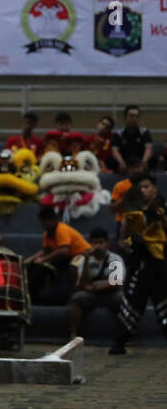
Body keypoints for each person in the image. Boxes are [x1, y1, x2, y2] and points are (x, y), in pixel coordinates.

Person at [111, 173, 167, 354]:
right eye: (140, 187)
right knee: (133, 302)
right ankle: (119, 342)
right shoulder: (131, 211)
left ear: (155, 189)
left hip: (160, 260)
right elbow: (122, 239)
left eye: (146, 186)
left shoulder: (162, 207)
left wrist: (159, 216)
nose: (143, 190)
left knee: (164, 302)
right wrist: (130, 242)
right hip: (139, 261)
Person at [24, 207, 90, 305]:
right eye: (42, 222)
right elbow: (45, 250)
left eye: (46, 222)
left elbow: (63, 250)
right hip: (66, 257)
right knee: (38, 266)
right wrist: (31, 259)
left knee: (73, 265)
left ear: (53, 220)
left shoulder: (61, 230)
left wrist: (44, 259)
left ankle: (76, 291)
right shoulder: (47, 234)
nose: (44, 225)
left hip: (82, 255)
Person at [67, 228, 123, 339]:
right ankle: (73, 334)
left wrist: (95, 288)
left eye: (101, 242)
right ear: (90, 243)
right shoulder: (85, 259)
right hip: (91, 295)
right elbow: (82, 283)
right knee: (76, 298)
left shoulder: (115, 259)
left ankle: (122, 333)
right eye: (95, 243)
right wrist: (87, 260)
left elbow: (116, 282)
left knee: (123, 299)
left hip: (110, 294)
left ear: (107, 243)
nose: (98, 246)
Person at [111, 105, 154, 174]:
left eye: (136, 116)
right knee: (112, 161)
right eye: (131, 116)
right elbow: (115, 151)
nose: (134, 118)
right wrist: (121, 162)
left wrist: (144, 161)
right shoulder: (118, 134)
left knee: (152, 160)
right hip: (125, 160)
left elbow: (148, 148)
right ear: (125, 118)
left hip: (140, 160)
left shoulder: (144, 132)